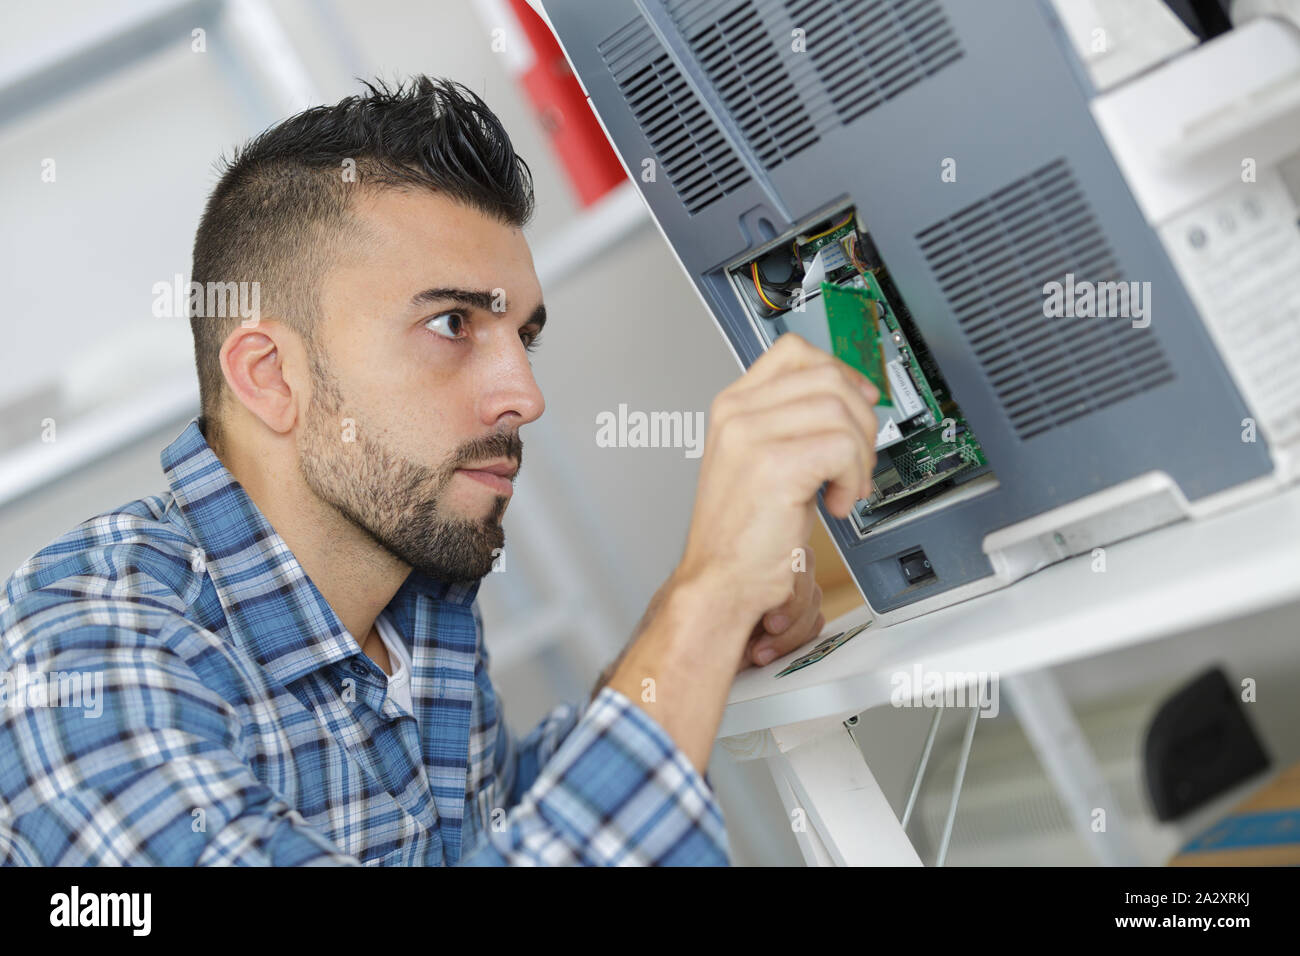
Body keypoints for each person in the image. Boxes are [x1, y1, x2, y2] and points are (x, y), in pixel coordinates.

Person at [0, 77, 879, 865]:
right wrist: (706, 600)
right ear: (270, 377)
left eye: (523, 336)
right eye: (454, 324)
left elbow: (497, 839)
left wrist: (703, 641)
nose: (525, 396)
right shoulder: (83, 656)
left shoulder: (409, 607)